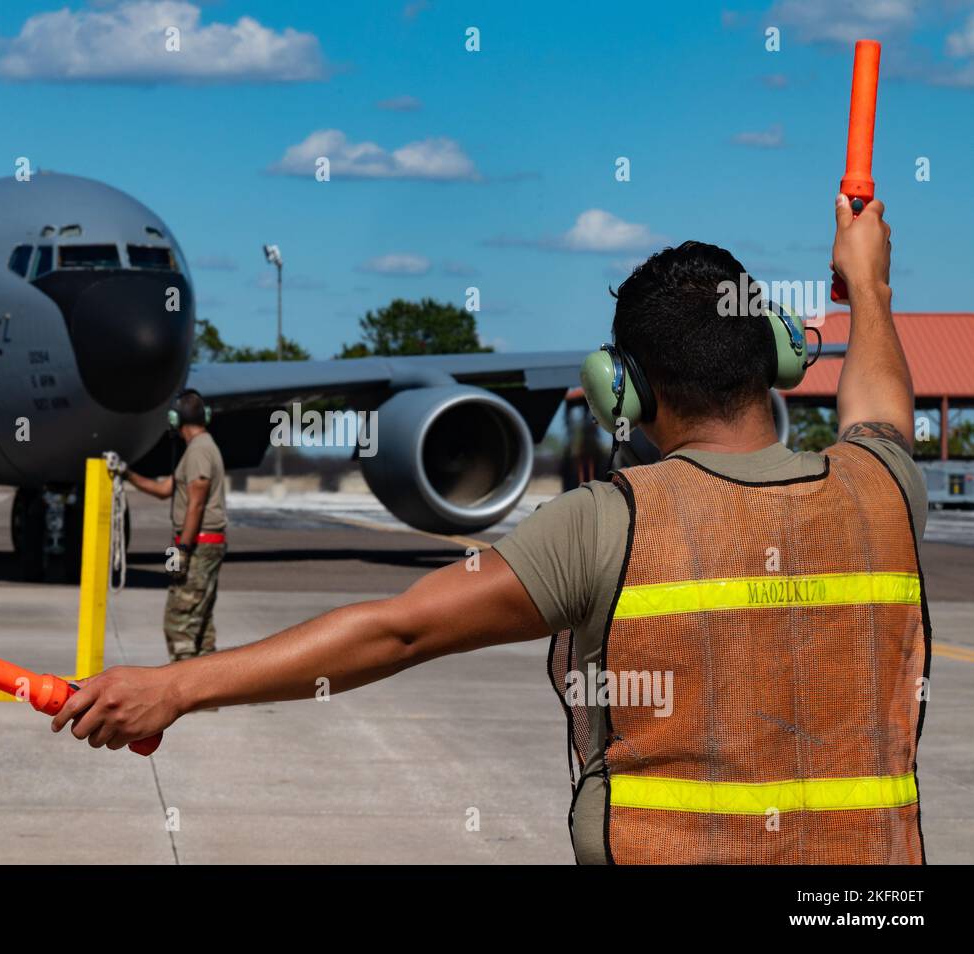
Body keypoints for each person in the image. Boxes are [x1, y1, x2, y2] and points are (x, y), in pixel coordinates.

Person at [56, 195, 927, 864]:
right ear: (777, 354)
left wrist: (178, 687)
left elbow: (396, 631)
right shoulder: (881, 490)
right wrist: (872, 289)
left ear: (620, 387)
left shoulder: (609, 524)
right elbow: (880, 399)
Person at [120, 389, 227, 663]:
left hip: (197, 543)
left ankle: (184, 687)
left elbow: (196, 503)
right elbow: (165, 489)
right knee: (200, 618)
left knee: (178, 620)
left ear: (174, 420)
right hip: (198, 541)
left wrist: (182, 548)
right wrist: (127, 474)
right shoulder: (197, 449)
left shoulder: (200, 451)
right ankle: (207, 690)